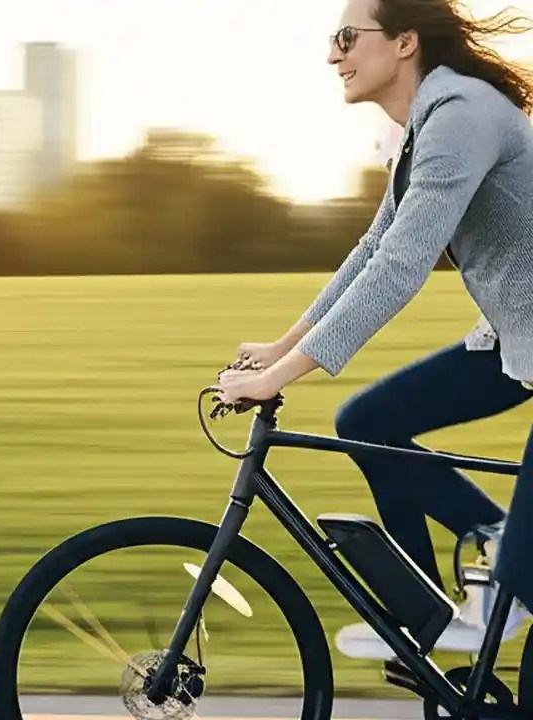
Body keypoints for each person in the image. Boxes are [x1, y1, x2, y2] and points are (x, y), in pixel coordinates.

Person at [216, 0, 533, 660]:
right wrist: (279, 349)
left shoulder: (462, 115)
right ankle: (427, 617)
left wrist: (282, 376)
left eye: (346, 37)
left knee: (525, 579)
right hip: (516, 336)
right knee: (368, 421)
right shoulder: (427, 125)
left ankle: (508, 560)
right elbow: (372, 249)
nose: (333, 54)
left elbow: (401, 265)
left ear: (405, 42)